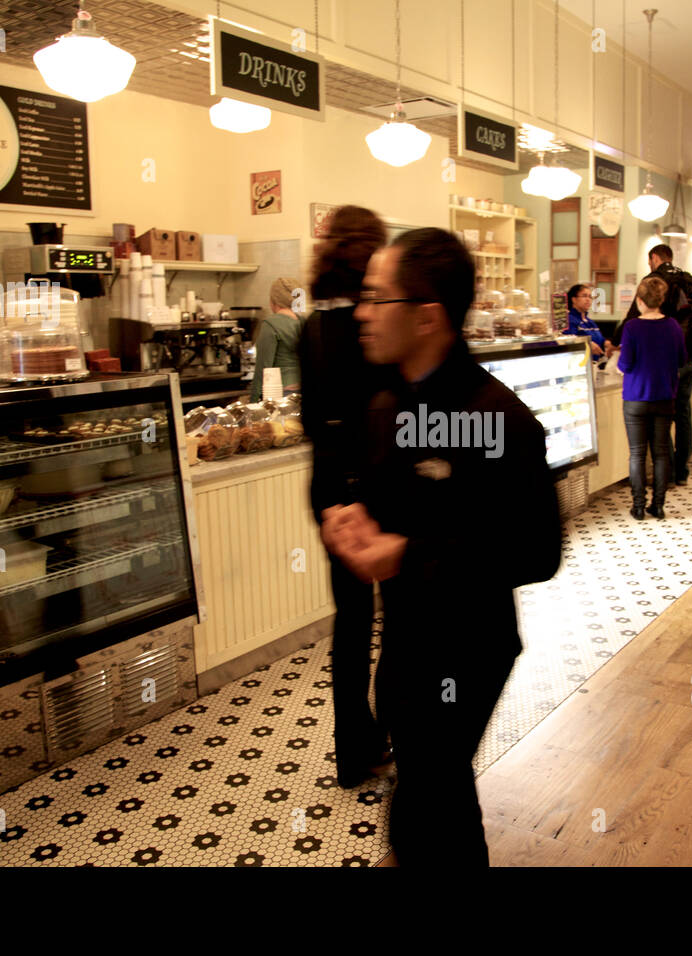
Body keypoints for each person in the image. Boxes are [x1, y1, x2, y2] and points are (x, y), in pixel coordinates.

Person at [322, 228, 562, 867]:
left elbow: (537, 552)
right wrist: (355, 520)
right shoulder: (386, 403)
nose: (363, 315)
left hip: (469, 648)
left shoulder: (502, 420)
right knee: (430, 794)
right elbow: (387, 506)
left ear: (428, 316)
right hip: (405, 638)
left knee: (432, 796)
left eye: (377, 298)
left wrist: (406, 553)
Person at [297, 206, 391, 790]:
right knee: (399, 615)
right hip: (374, 484)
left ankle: (352, 752)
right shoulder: (369, 323)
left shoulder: (311, 324)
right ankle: (389, 732)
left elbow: (311, 418)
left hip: (326, 483)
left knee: (351, 621)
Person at [611, 244, 692, 485]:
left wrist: (614, 341)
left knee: (661, 420)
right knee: (683, 415)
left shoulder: (655, 281)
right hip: (688, 359)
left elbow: (632, 319)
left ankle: (667, 475)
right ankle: (681, 472)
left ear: (654, 258)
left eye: (649, 261)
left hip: (660, 365)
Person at [617, 275, 688, 520]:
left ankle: (638, 506)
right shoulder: (673, 326)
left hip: (636, 397)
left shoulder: (632, 327)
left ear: (639, 300)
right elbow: (681, 360)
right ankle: (658, 505)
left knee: (637, 453)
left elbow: (625, 364)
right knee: (660, 453)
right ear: (662, 299)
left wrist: (619, 366)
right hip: (665, 396)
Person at [249, 276, 304, 402]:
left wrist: (253, 401)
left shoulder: (271, 325)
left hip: (281, 392)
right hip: (303, 389)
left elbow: (263, 368)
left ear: (273, 301)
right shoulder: (303, 322)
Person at [564, 283, 605, 359]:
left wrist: (609, 344)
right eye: (584, 296)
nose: (588, 299)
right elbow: (568, 343)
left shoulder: (590, 322)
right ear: (574, 299)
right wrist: (587, 344)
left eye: (590, 297)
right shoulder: (568, 320)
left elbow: (601, 341)